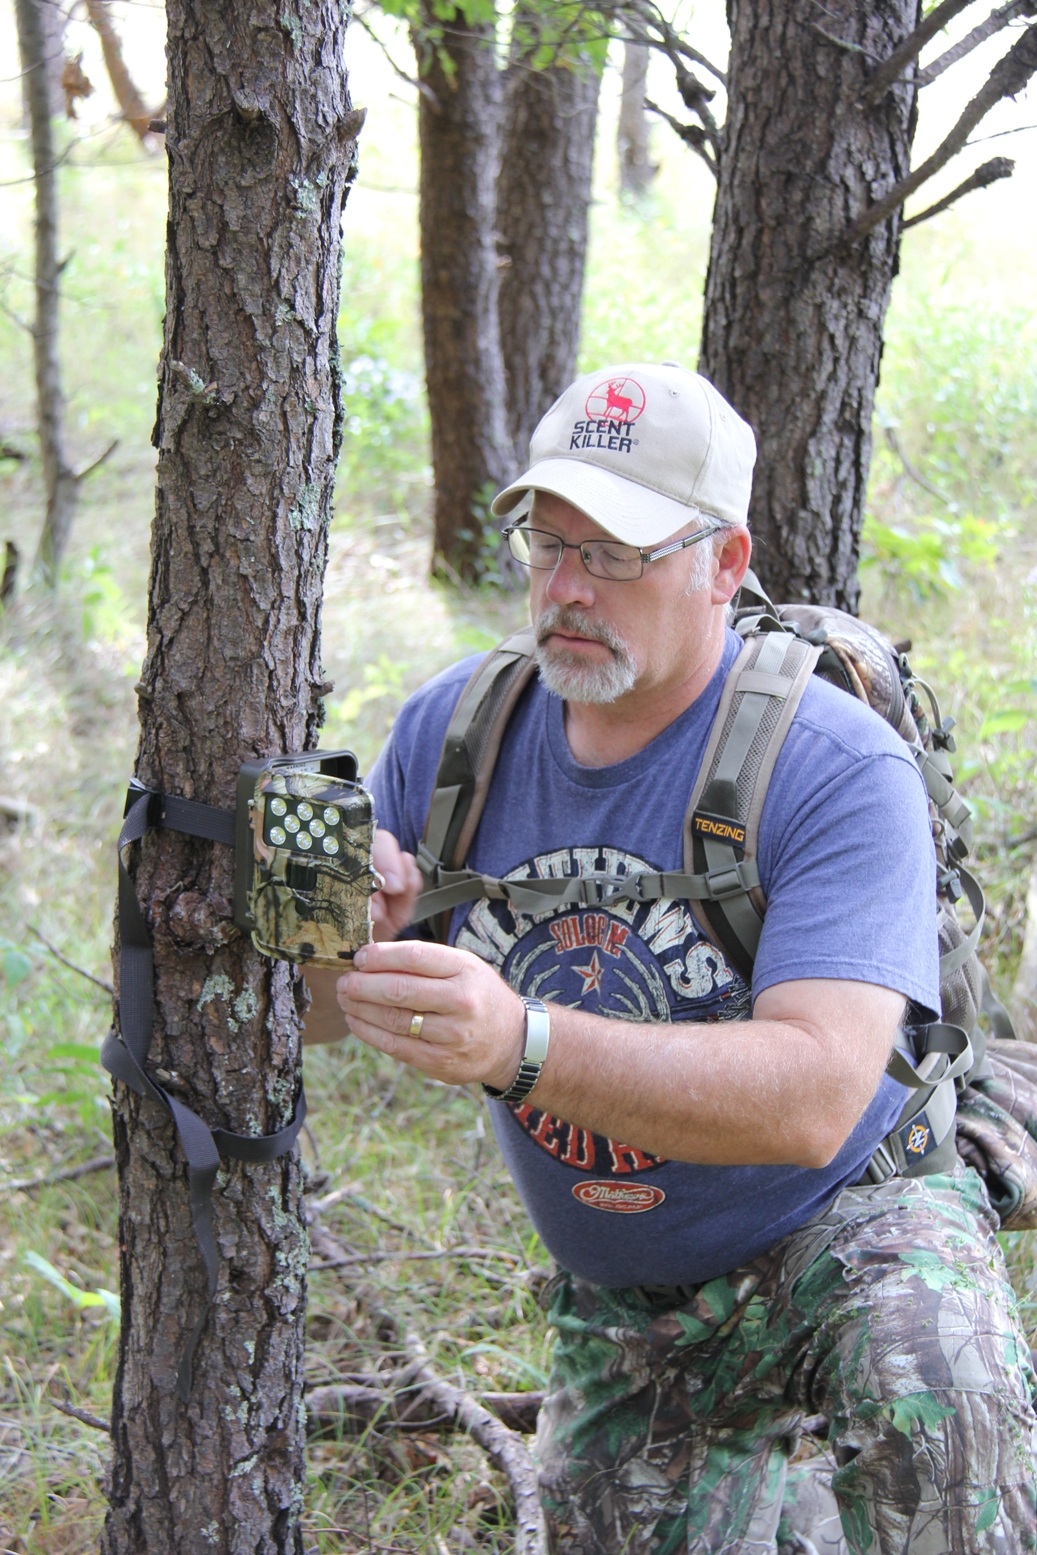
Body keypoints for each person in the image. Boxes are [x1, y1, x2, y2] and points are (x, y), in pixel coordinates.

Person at [304, 363, 1037, 1553]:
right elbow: (308, 1017)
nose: (567, 589)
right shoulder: (455, 735)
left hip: (843, 1221)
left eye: (617, 554)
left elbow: (810, 1098)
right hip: (630, 1297)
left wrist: (521, 1045)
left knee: (940, 1396)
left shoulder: (831, 763)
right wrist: (353, 949)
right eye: (547, 546)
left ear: (724, 561)